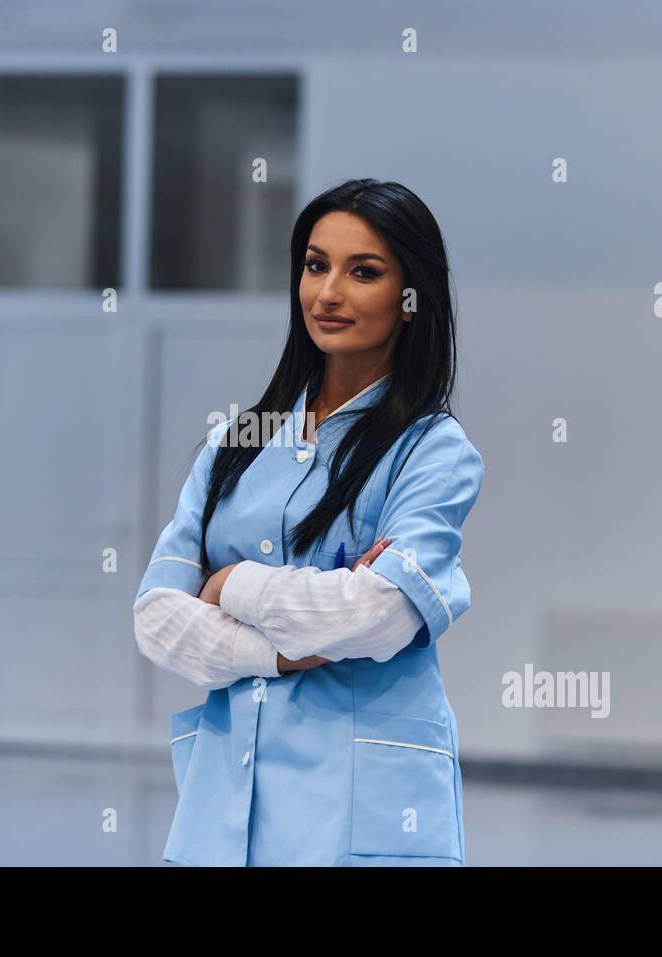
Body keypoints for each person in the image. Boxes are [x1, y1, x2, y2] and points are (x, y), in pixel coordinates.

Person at [133, 178, 484, 866]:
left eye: (365, 272)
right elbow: (156, 618)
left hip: (362, 815)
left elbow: (379, 616)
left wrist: (231, 583)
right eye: (316, 264)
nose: (328, 292)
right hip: (223, 815)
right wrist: (283, 649)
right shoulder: (236, 444)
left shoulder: (432, 450)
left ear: (412, 299)